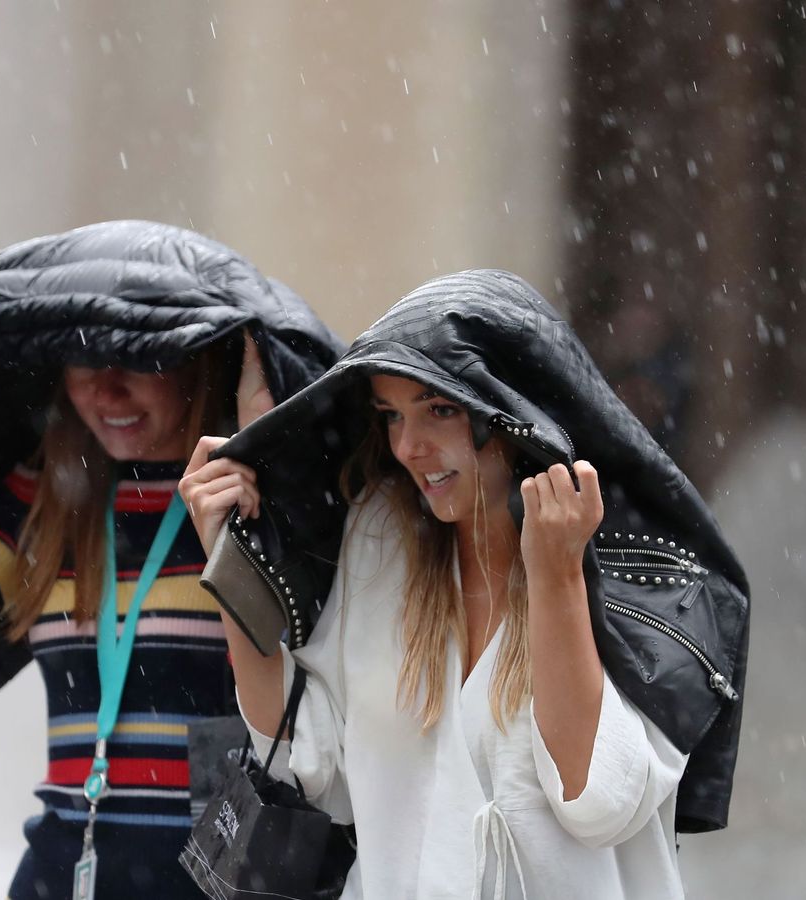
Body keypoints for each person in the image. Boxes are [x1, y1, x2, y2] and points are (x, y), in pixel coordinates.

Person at [0, 221, 343, 898]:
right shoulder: (44, 502)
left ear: (197, 357)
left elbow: (309, 702)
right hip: (62, 876)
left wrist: (263, 438)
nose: (105, 392)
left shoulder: (257, 495)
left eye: (134, 360)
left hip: (225, 882)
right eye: (85, 362)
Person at [181, 269, 751, 898]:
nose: (409, 446)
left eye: (440, 410)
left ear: (512, 416)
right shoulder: (382, 537)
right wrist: (230, 562)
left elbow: (600, 802)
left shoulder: (633, 573)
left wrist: (557, 575)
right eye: (391, 416)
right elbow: (312, 762)